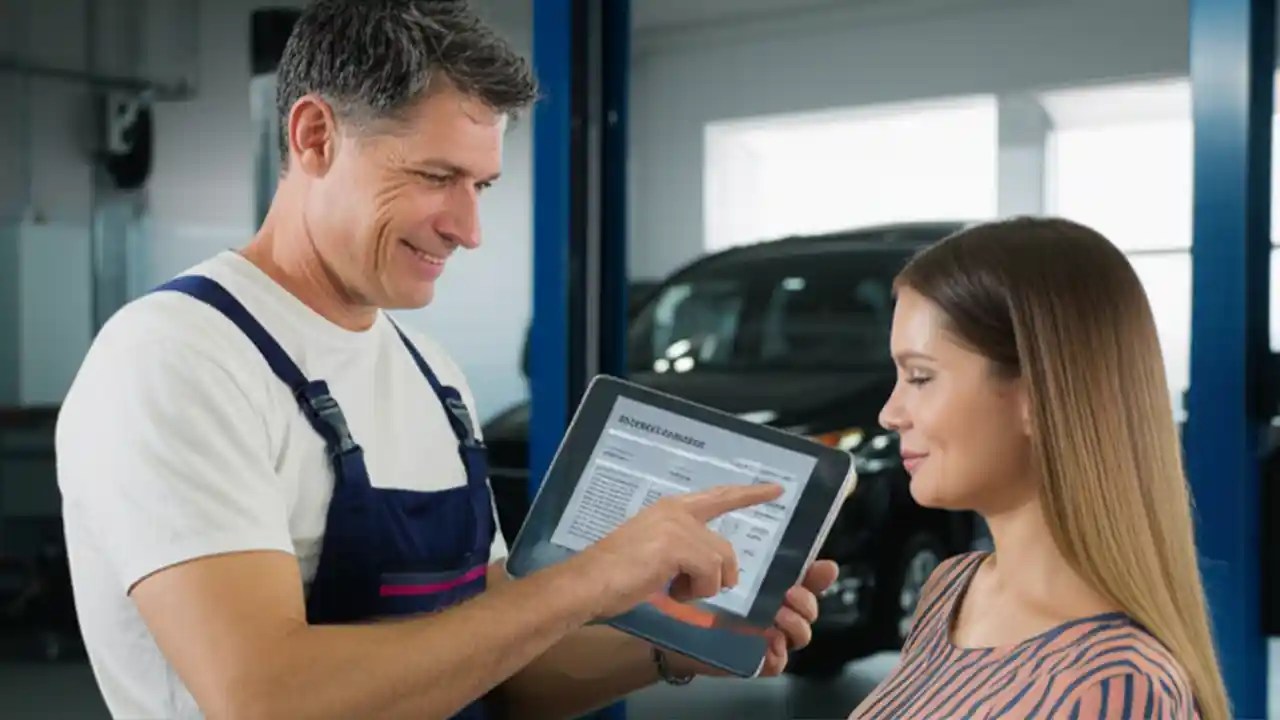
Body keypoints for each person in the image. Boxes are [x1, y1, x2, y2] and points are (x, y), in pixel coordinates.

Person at [53, 2, 837, 718]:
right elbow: (267, 697)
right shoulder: (177, 357)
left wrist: (684, 640)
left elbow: (504, 663)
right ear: (315, 136)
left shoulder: (432, 374)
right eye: (436, 177)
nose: (469, 228)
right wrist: (589, 580)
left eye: (483, 186)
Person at [847, 217, 1229, 719]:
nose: (890, 414)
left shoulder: (1115, 686)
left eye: (920, 377)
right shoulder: (951, 591)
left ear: (1036, 396)